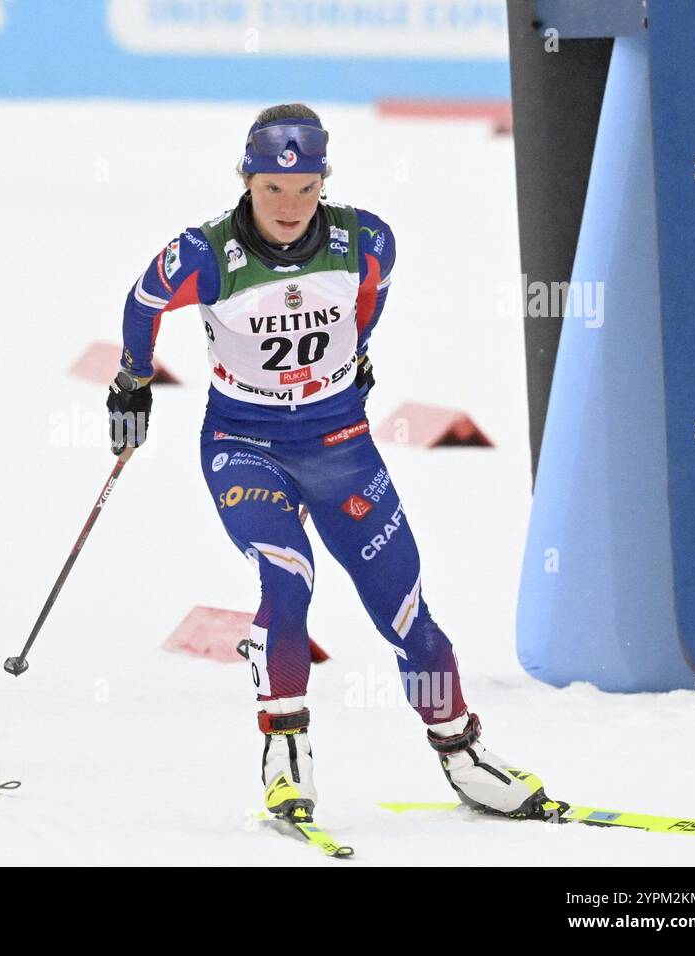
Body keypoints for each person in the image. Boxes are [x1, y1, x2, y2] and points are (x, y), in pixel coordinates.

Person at [107, 104, 562, 824]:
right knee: (289, 576)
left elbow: (369, 302)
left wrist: (357, 355)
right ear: (247, 180)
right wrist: (131, 382)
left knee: (407, 612)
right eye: (271, 189)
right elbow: (142, 301)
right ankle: (286, 748)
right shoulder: (204, 253)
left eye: (304, 189)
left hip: (341, 445)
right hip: (243, 444)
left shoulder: (366, 239)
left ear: (324, 181)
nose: (289, 207)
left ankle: (463, 752)